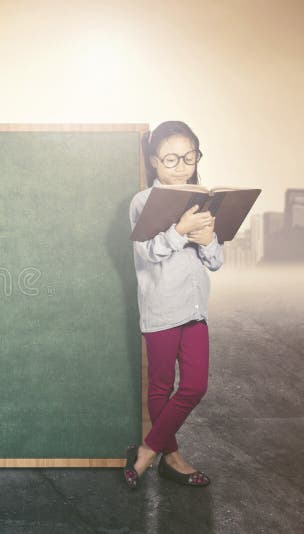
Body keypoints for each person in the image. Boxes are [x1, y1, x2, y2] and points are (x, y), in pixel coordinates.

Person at [123, 120, 223, 488]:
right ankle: (173, 457)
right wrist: (179, 232)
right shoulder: (142, 202)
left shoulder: (205, 200)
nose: (182, 166)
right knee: (161, 385)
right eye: (170, 159)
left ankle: (148, 450)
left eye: (189, 156)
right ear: (153, 161)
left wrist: (210, 239)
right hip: (161, 309)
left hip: (196, 310)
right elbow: (147, 254)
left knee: (195, 386)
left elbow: (215, 261)